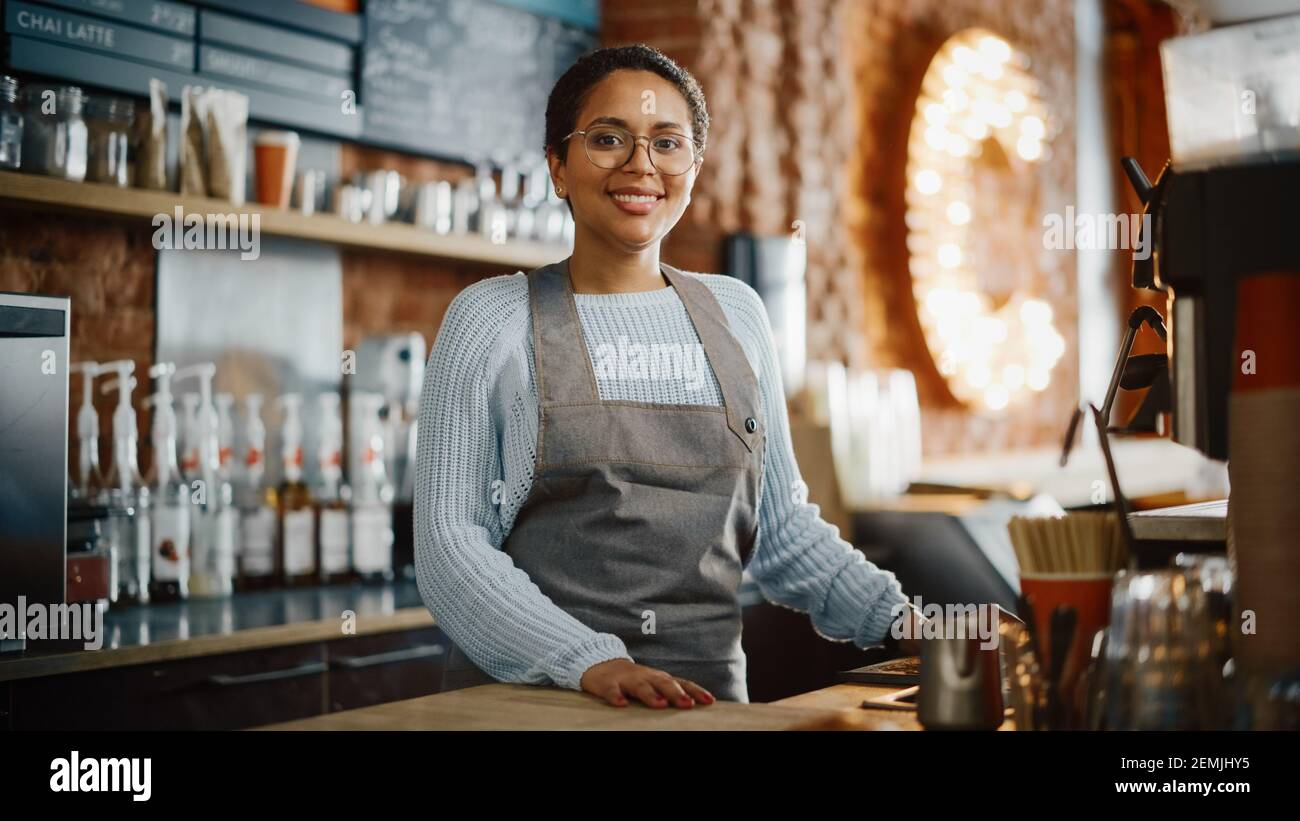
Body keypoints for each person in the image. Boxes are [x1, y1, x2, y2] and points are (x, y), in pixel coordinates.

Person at [415, 43, 920, 708]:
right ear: (557, 167)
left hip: (707, 712)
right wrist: (589, 660)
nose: (640, 164)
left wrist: (908, 620)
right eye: (607, 139)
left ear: (693, 167)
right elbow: (449, 544)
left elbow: (783, 531)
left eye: (666, 142)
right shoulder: (490, 321)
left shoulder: (738, 314)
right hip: (539, 709)